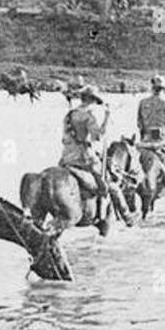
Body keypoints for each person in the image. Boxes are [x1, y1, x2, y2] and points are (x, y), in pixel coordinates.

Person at [60, 83, 129, 224]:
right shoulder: (89, 116)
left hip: (66, 157)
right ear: (92, 100)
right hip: (83, 157)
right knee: (109, 184)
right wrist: (106, 119)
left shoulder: (70, 114)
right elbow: (97, 137)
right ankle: (125, 214)